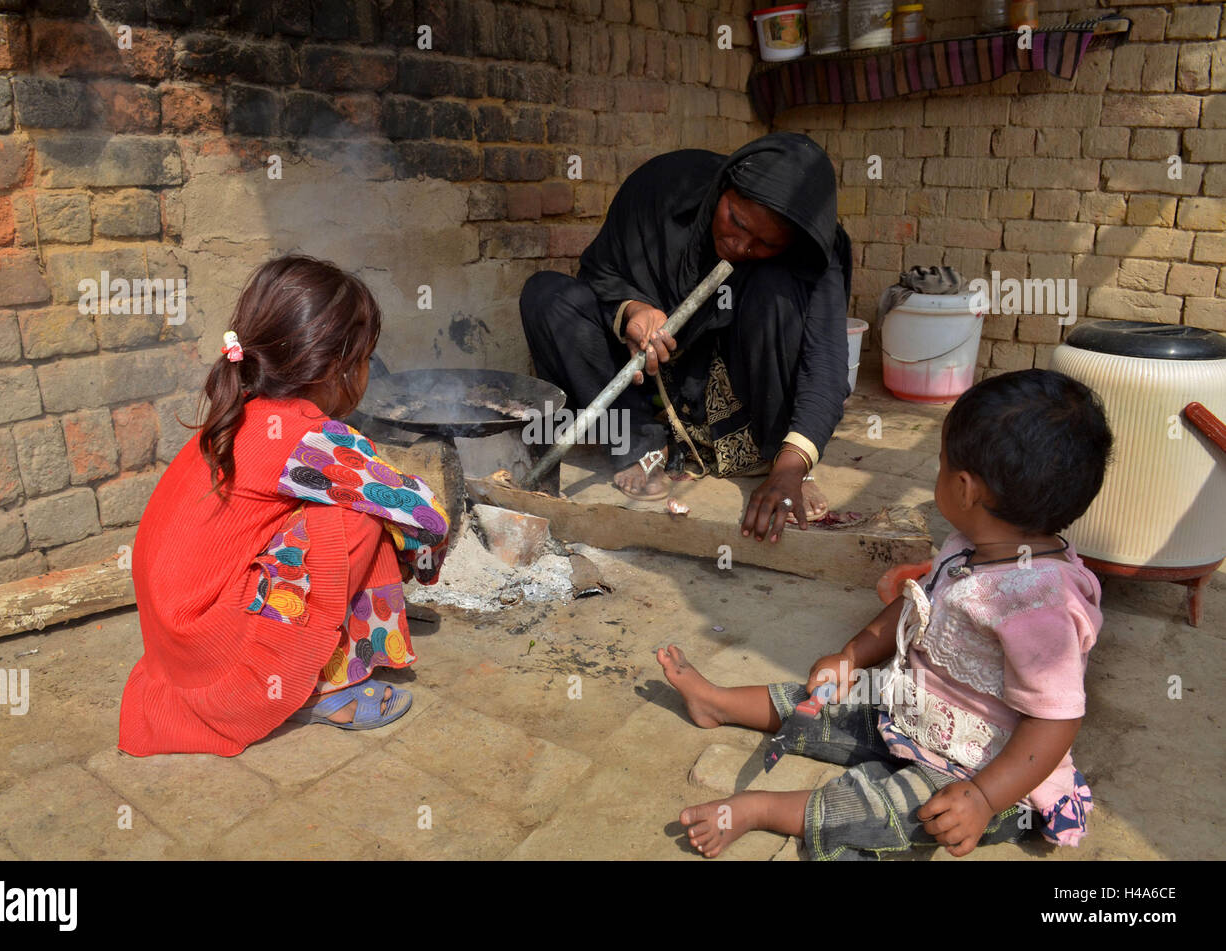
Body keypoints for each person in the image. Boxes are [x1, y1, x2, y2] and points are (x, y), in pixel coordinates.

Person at [656, 369, 1114, 859]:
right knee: (826, 702)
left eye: (939, 466)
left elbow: (1055, 722)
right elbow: (913, 607)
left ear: (964, 489)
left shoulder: (1042, 604)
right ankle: (718, 703)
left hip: (982, 770)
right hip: (912, 712)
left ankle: (763, 808)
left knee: (898, 808)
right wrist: (851, 655)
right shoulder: (969, 548)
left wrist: (982, 798)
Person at [118, 256, 451, 756]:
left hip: (176, 645)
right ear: (338, 368)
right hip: (216, 657)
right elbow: (426, 514)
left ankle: (329, 643)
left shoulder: (241, 412)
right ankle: (320, 687)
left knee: (340, 511)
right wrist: (417, 562)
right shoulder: (309, 438)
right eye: (365, 360)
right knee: (361, 519)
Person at [520, 132, 852, 540]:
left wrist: (791, 468)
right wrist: (632, 310)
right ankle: (642, 444)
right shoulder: (662, 188)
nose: (739, 246)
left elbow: (827, 364)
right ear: (723, 187)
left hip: (741, 392)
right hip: (652, 385)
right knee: (546, 296)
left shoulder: (814, 249)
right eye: (736, 221)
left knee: (777, 288)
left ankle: (778, 458)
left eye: (765, 244)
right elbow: (600, 274)